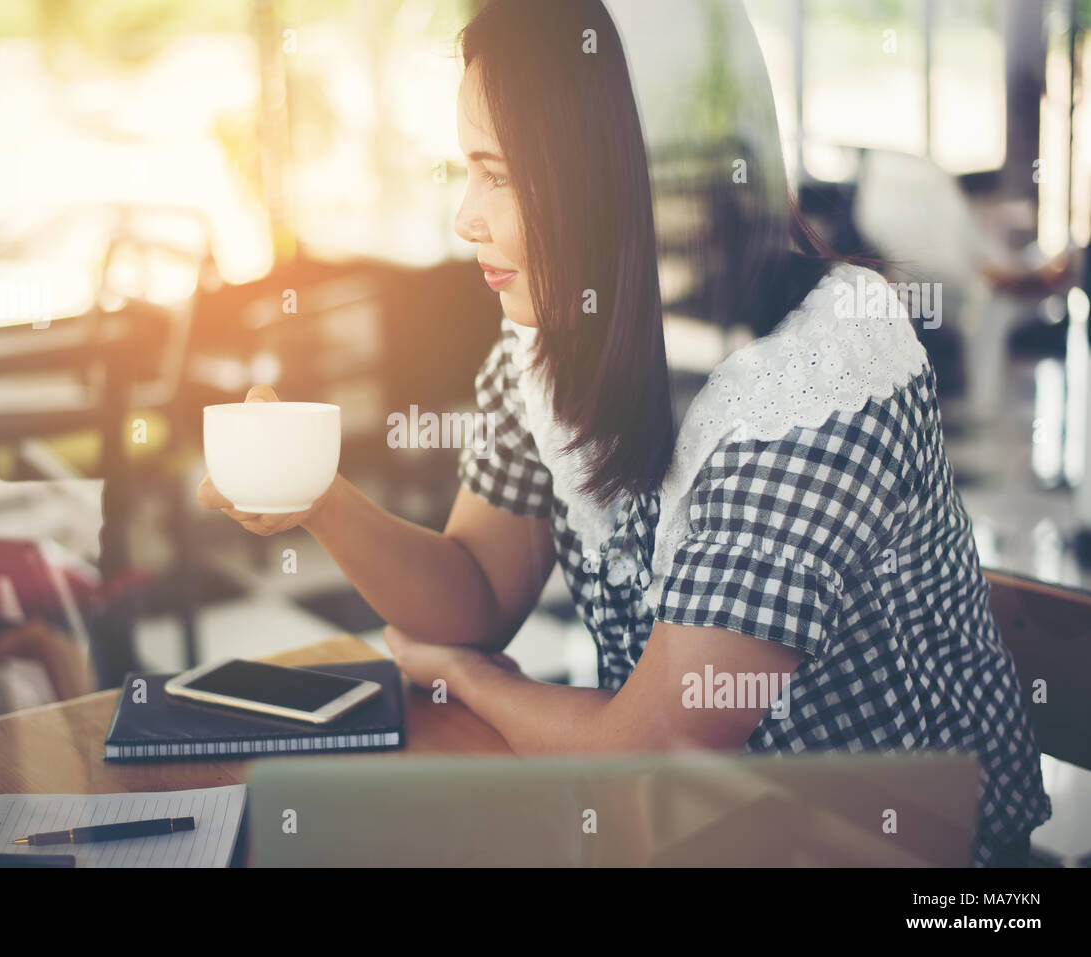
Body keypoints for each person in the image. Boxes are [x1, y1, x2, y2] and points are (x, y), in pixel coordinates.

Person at [198, 0, 1049, 866]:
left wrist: (473, 680)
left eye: (498, 174)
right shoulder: (563, 336)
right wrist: (318, 496)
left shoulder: (817, 385)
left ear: (619, 178)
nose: (466, 217)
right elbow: (478, 591)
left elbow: (647, 752)